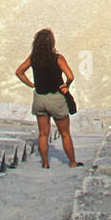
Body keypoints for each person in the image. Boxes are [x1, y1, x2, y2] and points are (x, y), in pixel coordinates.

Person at [16, 28, 81, 168]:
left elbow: (19, 72)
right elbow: (70, 76)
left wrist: (31, 84)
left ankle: (45, 163)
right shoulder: (58, 58)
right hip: (56, 99)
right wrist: (66, 86)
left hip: (40, 98)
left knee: (43, 134)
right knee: (65, 134)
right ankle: (72, 162)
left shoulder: (33, 58)